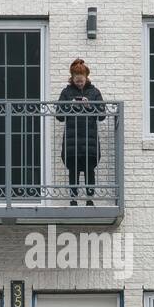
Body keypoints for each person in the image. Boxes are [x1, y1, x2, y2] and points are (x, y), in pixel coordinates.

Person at [58, 58, 104, 205]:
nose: (79, 83)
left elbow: (102, 114)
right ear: (72, 78)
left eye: (81, 80)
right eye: (76, 81)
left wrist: (89, 105)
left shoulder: (94, 92)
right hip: (72, 140)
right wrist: (69, 105)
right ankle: (73, 199)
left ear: (86, 78)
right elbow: (59, 115)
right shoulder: (66, 92)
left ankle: (90, 199)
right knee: (73, 170)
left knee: (89, 169)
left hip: (89, 139)